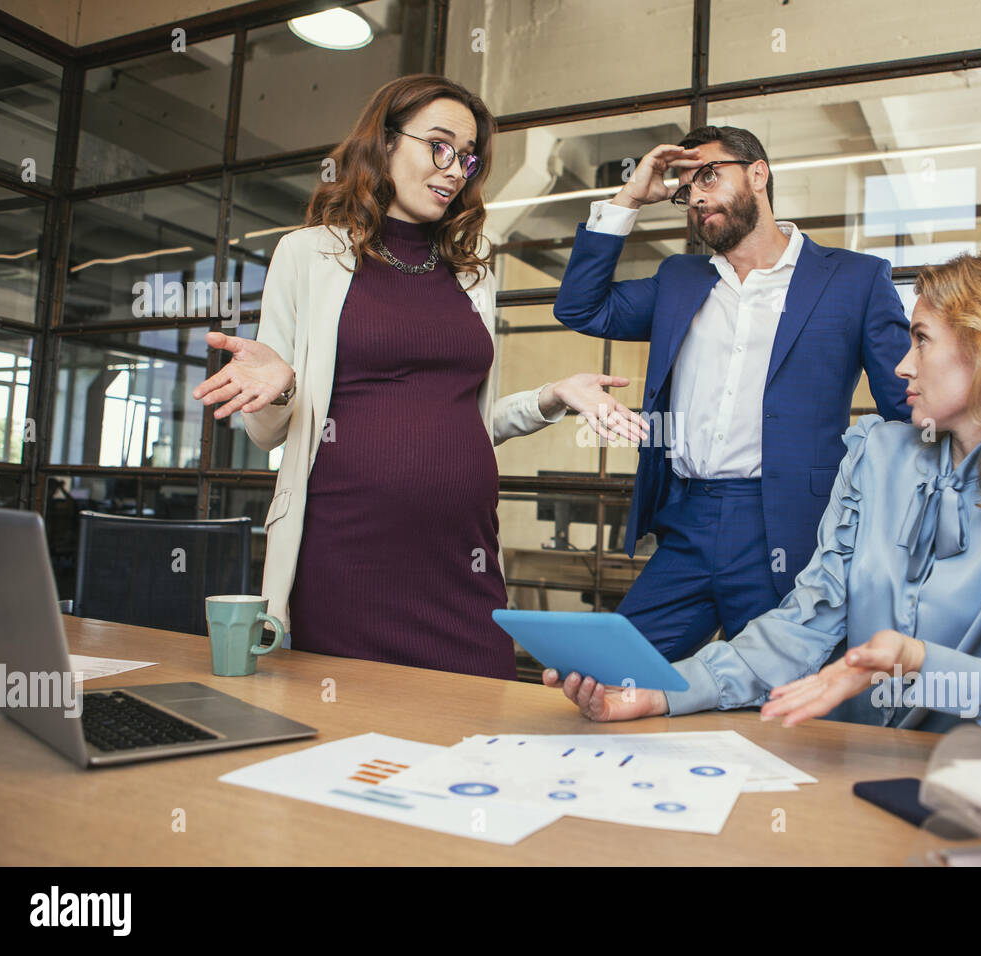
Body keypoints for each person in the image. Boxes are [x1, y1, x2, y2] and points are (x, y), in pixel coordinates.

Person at [544, 248, 981, 759]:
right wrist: (666, 691)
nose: (900, 365)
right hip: (852, 772)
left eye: (921, 340)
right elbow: (805, 623)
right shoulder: (877, 454)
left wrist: (924, 666)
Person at [192, 75, 646, 679]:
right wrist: (287, 384)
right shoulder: (308, 255)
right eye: (438, 146)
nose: (455, 168)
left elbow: (465, 419)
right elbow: (266, 431)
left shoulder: (472, 272)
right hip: (348, 553)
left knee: (477, 722)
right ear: (383, 144)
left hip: (464, 558)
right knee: (346, 739)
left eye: (467, 156)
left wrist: (551, 397)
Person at [553, 126, 911, 662]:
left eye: (708, 175)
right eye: (685, 189)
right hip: (688, 521)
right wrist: (628, 198)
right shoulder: (680, 277)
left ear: (759, 173)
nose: (695, 196)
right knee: (609, 672)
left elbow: (905, 406)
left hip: (792, 524)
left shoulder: (855, 280)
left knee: (782, 703)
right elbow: (581, 307)